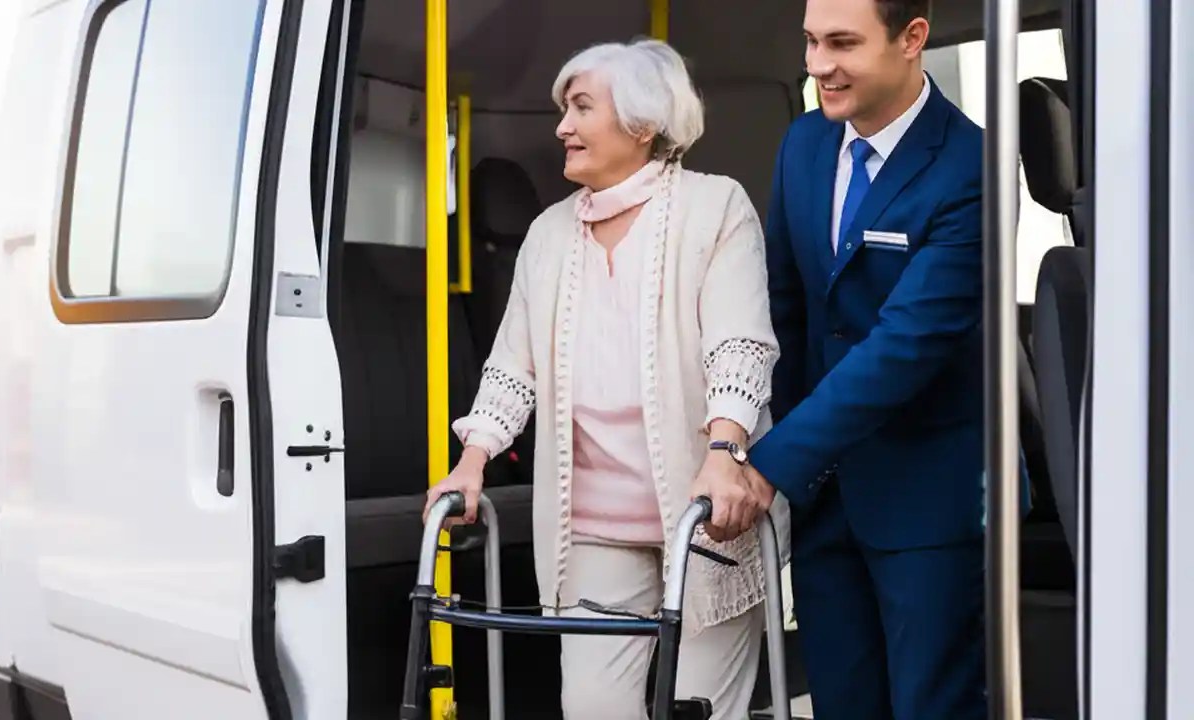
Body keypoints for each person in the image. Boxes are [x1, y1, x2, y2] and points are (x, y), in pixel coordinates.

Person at [424, 38, 788, 720]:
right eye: (564, 108)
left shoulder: (716, 209)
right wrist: (470, 462)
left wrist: (724, 453)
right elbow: (512, 367)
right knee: (593, 706)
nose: (562, 126)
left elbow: (739, 344)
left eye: (581, 107)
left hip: (705, 514)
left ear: (644, 124)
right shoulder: (547, 235)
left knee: (698, 708)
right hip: (594, 522)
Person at [719, 1, 1022, 718]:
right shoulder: (803, 146)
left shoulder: (972, 166)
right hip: (825, 499)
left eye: (842, 43)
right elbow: (784, 310)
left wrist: (768, 464)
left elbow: (903, 347)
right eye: (810, 42)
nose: (818, 65)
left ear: (912, 39)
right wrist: (747, 440)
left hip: (931, 509)